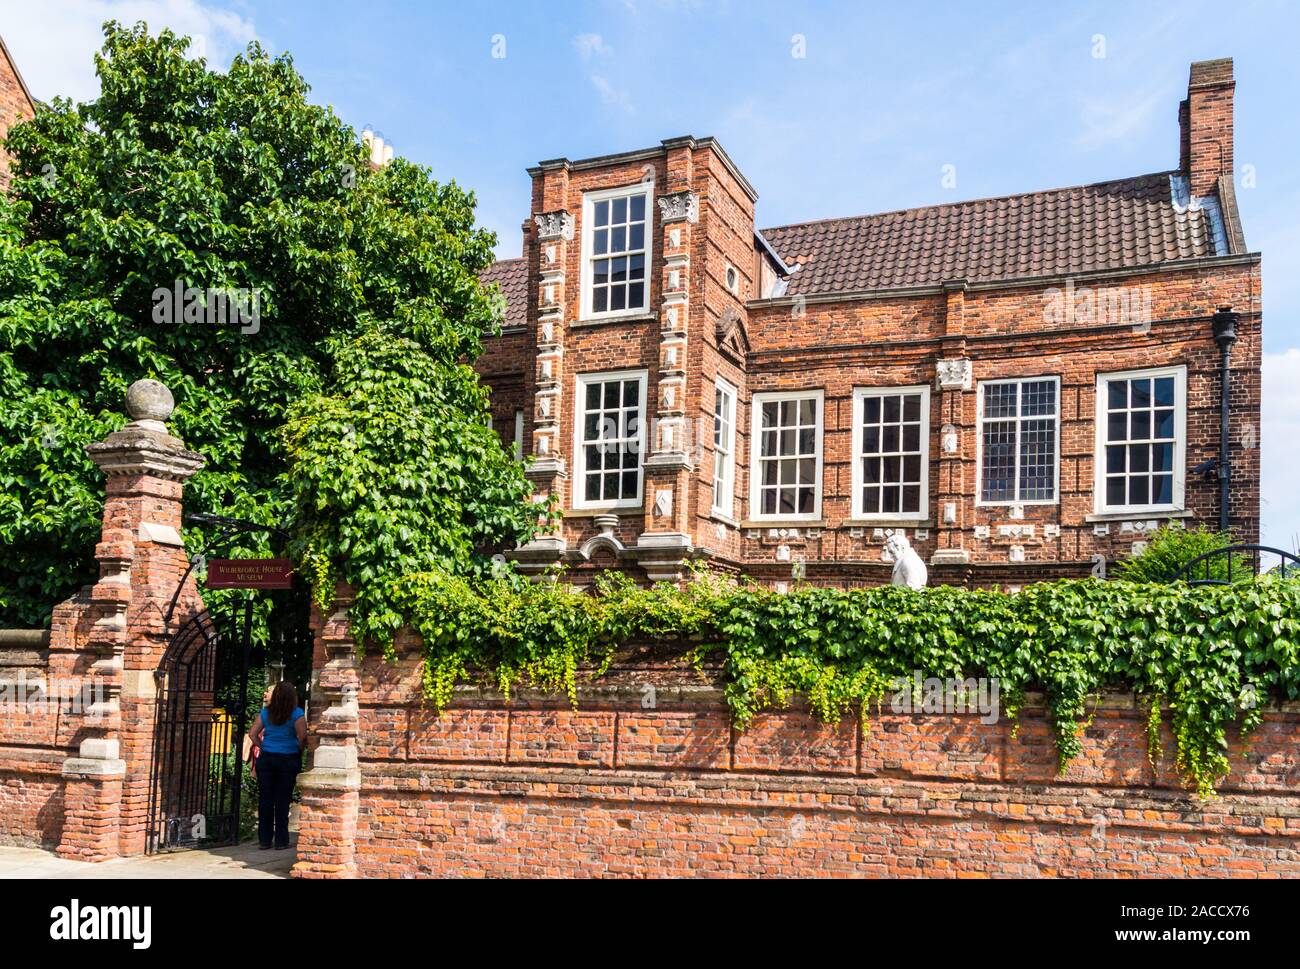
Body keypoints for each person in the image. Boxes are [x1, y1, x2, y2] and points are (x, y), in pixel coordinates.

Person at [246, 681, 306, 850]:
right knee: (282, 800)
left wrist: (263, 746)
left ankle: (264, 840)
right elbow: (302, 736)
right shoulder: (297, 713)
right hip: (288, 759)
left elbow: (252, 733)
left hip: (267, 759)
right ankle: (281, 841)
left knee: (265, 799)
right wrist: (298, 750)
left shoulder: (266, 713)